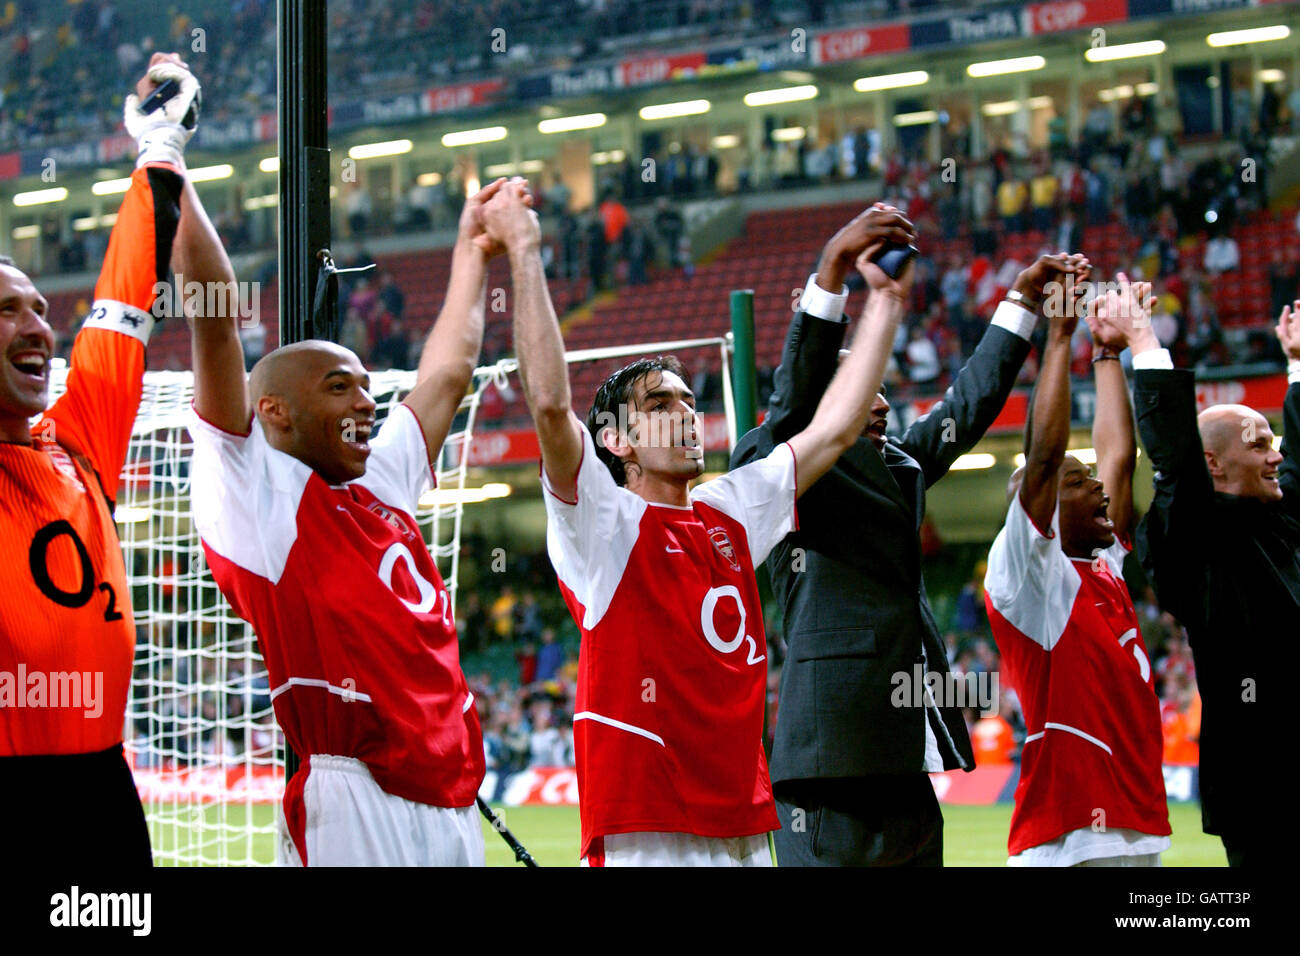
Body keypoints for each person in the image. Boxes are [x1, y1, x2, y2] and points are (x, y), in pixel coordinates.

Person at [483, 193, 914, 866]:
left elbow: (834, 430)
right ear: (616, 440)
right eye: (659, 406)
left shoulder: (728, 511)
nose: (684, 417)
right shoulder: (599, 521)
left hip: (743, 822)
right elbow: (547, 402)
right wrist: (525, 250)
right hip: (648, 827)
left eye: (688, 403)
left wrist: (882, 299)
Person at [187, 174, 529, 866]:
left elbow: (447, 374)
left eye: (368, 387)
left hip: (451, 793)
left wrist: (473, 252)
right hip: (353, 795)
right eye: (339, 387)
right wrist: (167, 163)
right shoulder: (259, 497)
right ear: (275, 413)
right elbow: (215, 319)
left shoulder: (379, 477)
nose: (367, 403)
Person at [734, 238, 1081, 867]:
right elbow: (790, 412)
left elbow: (966, 407)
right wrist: (832, 277)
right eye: (864, 389)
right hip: (829, 764)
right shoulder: (775, 463)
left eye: (882, 389)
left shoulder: (899, 467)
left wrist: (1022, 305)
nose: (884, 404)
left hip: (903, 757)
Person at [0, 51, 197, 867]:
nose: (37, 327)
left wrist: (162, 147)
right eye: (6, 311)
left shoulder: (79, 440)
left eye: (41, 310)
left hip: (100, 787)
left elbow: (124, 299)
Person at [985, 270, 1171, 866]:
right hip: (1069, 837)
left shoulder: (1104, 565)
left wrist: (1109, 353)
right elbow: (1041, 459)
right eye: (1077, 481)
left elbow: (1120, 457)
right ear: (1040, 508)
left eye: (1088, 478)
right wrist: (1059, 339)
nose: (1095, 486)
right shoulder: (1030, 581)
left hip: (1139, 822)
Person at [1123, 298, 1300, 867]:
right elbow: (1176, 461)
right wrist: (1144, 341)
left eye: (1273, 441)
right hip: (1263, 790)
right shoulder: (1193, 544)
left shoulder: (1277, 518)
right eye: (1258, 444)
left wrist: (1295, 364)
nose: (1275, 456)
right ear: (1214, 465)